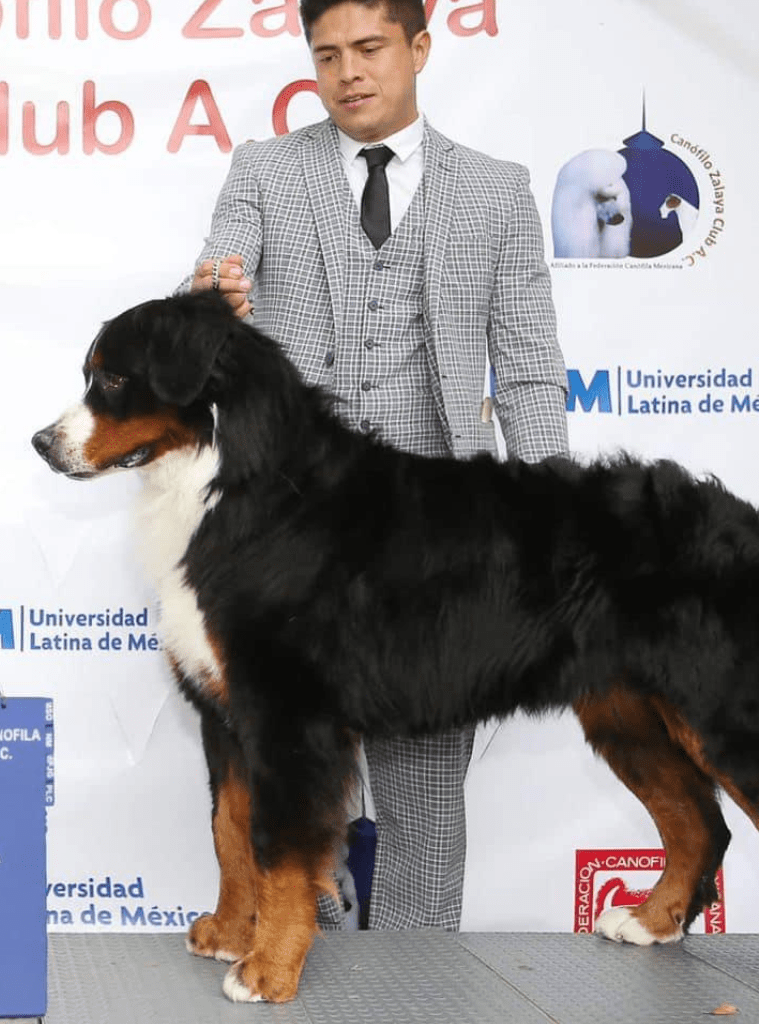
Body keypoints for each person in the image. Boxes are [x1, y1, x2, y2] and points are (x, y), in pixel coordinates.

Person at [185, 0, 568, 931]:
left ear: (419, 48)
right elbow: (212, 274)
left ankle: (424, 980)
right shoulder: (265, 171)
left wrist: (560, 524)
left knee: (431, 776)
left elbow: (525, 368)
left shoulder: (497, 189)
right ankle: (299, 959)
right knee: (293, 756)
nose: (349, 71)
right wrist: (216, 290)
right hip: (294, 528)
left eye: (369, 48)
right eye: (327, 55)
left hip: (438, 533)